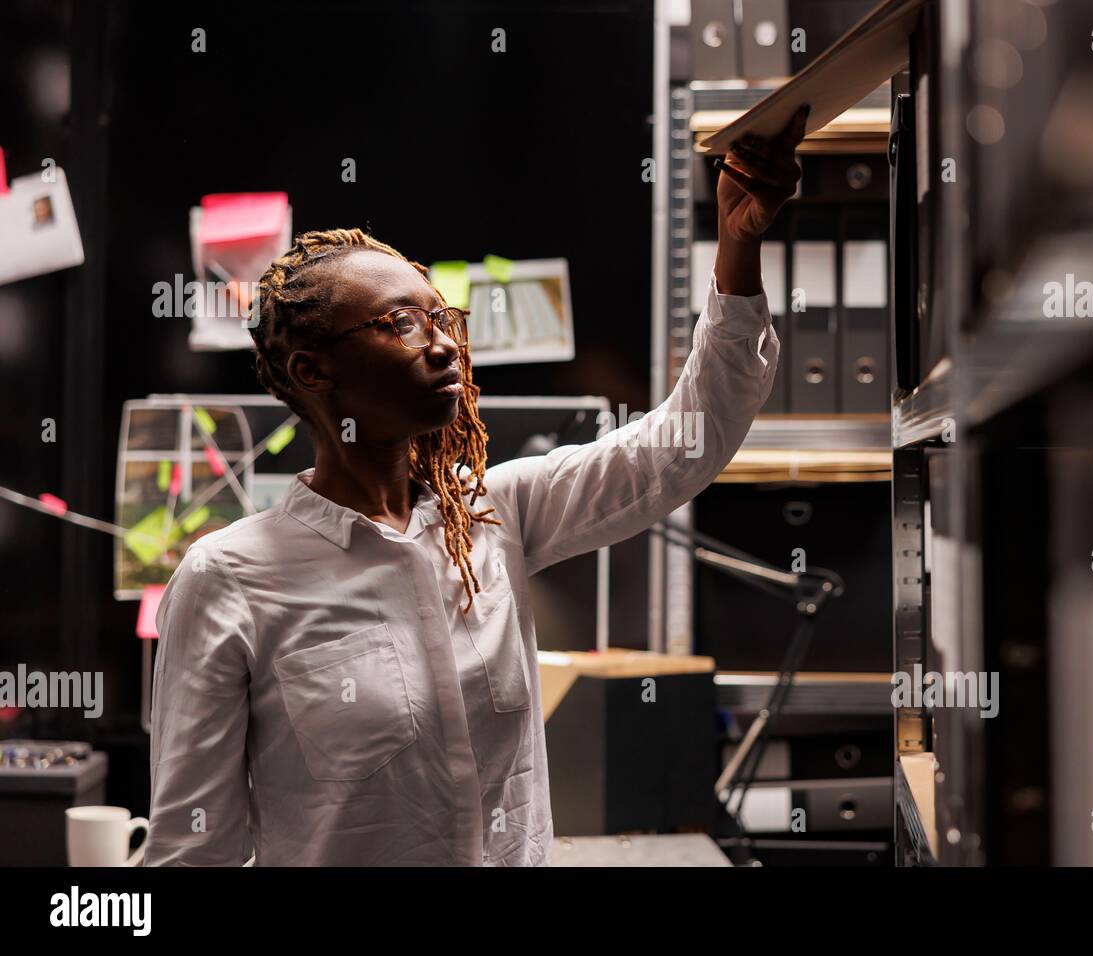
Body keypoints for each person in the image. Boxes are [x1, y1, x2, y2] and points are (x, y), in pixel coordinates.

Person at [143, 105, 809, 866]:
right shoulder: (230, 577)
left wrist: (739, 241)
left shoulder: (492, 515)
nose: (442, 346)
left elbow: (686, 444)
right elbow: (191, 852)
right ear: (312, 370)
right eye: (400, 324)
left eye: (442, 318)